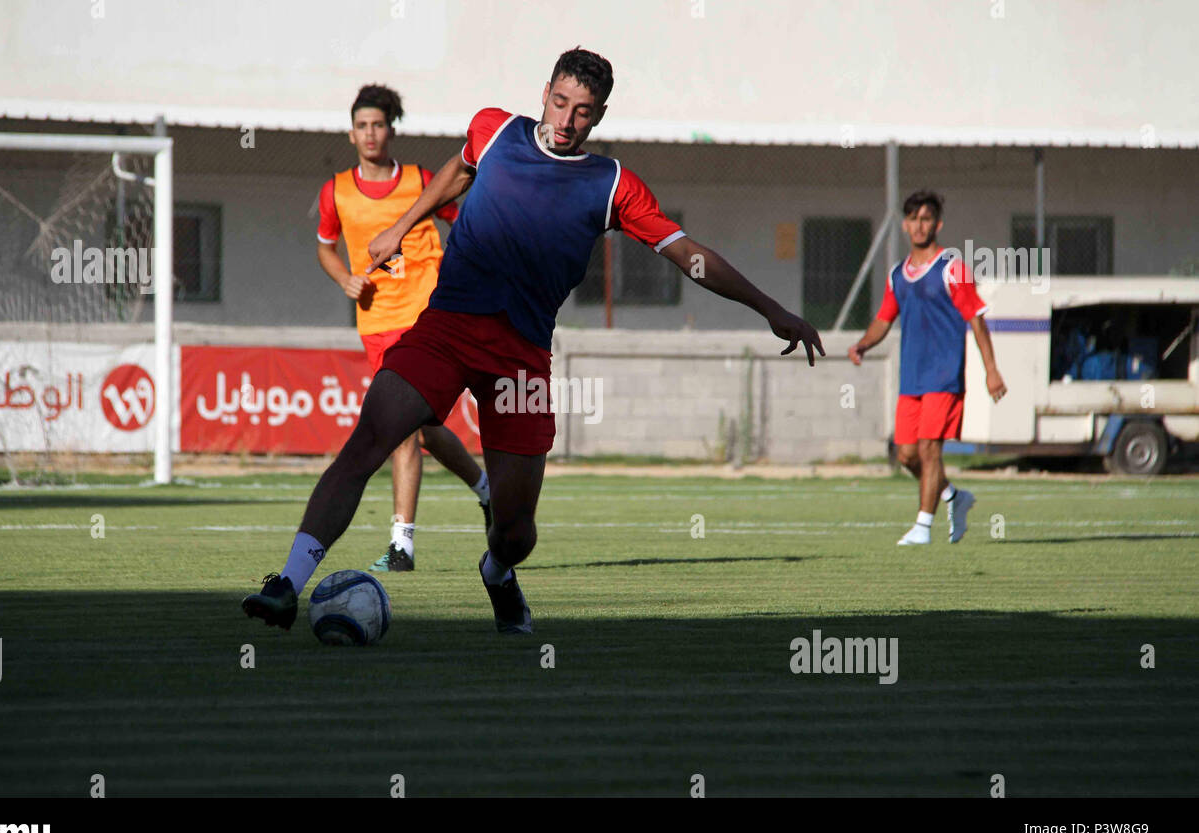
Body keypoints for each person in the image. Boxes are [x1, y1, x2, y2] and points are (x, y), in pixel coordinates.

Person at [244, 48, 824, 634]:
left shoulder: (612, 185)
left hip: (520, 359)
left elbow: (688, 254)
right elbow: (459, 169)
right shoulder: (494, 130)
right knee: (367, 443)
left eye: (583, 111)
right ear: (545, 93)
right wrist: (402, 225)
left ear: (600, 116)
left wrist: (770, 308)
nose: (566, 120)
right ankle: (286, 584)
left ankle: (497, 571)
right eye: (560, 102)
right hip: (446, 329)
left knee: (516, 531)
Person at [315, 83, 490, 572]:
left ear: (391, 130)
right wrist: (344, 278)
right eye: (362, 126)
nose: (370, 133)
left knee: (401, 427)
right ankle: (487, 491)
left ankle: (402, 546)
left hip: (424, 318)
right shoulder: (336, 190)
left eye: (378, 124)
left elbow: (464, 222)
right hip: (376, 322)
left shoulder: (420, 181)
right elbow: (325, 247)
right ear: (351, 134)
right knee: (426, 430)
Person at [847, 190, 1007, 546]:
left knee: (929, 448)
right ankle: (953, 496)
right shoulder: (897, 275)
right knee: (907, 455)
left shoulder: (953, 269)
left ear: (938, 224)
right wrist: (862, 344)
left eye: (926, 219)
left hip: (944, 375)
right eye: (913, 219)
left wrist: (991, 370)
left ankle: (922, 526)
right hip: (912, 378)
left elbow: (976, 320)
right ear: (905, 225)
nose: (919, 225)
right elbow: (883, 320)